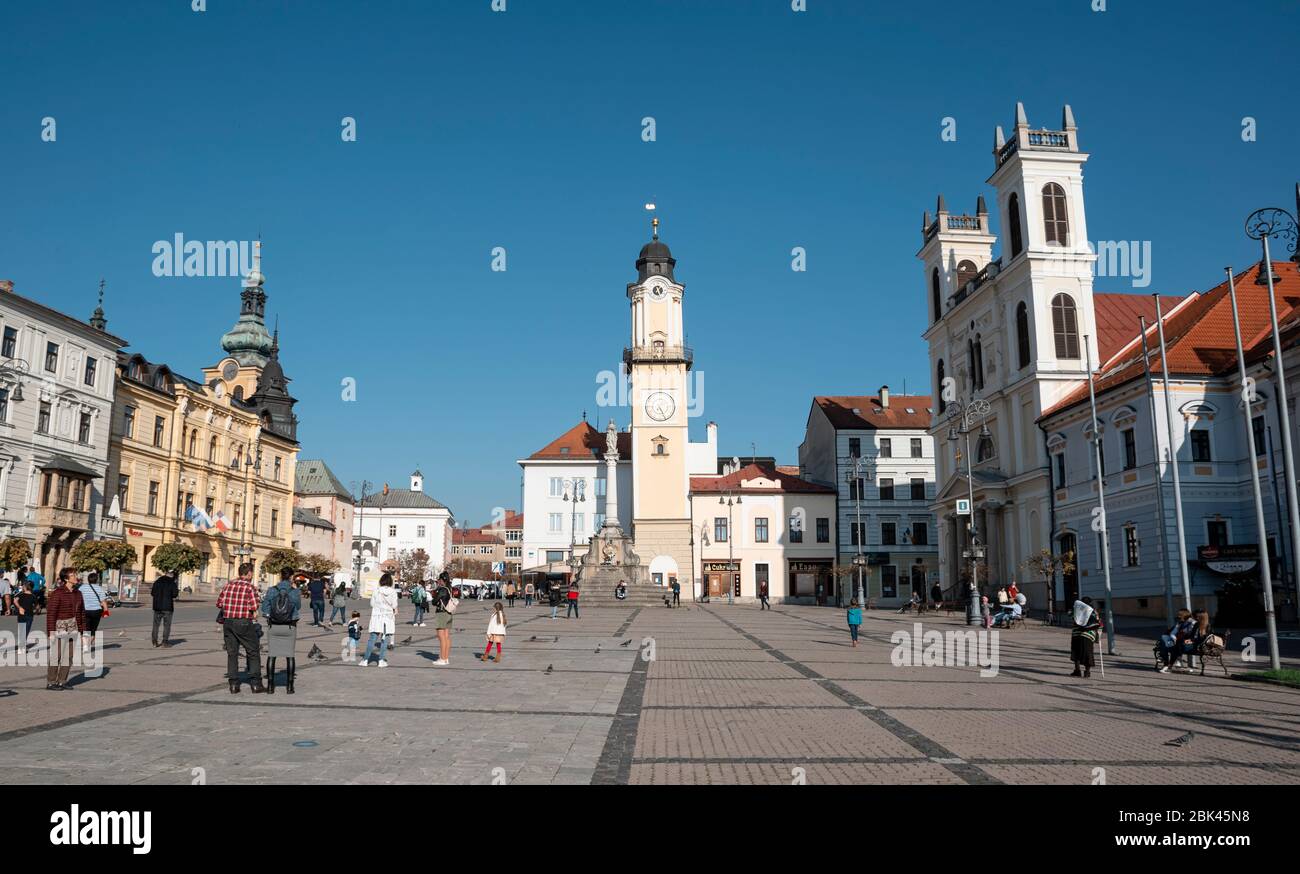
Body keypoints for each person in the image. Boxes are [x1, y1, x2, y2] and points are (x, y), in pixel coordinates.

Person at [216, 563, 266, 694]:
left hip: (228, 622)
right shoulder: (250, 587)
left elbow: (219, 603)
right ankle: (256, 683)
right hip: (243, 622)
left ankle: (233, 684)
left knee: (232, 653)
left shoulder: (228, 585)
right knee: (253, 651)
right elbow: (254, 606)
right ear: (249, 573)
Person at [46, 568, 86, 691]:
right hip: (60, 628)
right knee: (56, 656)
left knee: (68, 656)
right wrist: (50, 631)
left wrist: (83, 630)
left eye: (75, 575)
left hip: (73, 628)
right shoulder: (58, 593)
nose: (76, 577)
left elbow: (81, 613)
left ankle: (62, 681)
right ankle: (51, 682)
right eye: (73, 575)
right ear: (66, 579)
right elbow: (51, 613)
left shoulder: (78, 593)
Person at [262, 569, 302, 693]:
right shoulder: (295, 591)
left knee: (272, 655)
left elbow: (264, 608)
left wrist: (271, 616)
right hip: (289, 626)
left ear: (280, 576)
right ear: (291, 577)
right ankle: (289, 687)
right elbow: (298, 607)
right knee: (290, 656)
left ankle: (270, 687)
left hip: (274, 626)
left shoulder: (272, 590)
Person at [360, 573, 398, 667]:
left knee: (372, 639)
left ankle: (365, 660)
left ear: (381, 581)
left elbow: (372, 603)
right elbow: (394, 605)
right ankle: (381, 660)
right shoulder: (393, 592)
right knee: (384, 640)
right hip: (388, 617)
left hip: (377, 616)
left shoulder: (376, 591)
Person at [1070, 596, 1101, 678]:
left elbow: (1070, 614)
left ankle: (1077, 670)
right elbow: (1099, 624)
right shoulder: (1093, 612)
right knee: (1088, 653)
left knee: (1076, 652)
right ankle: (1087, 672)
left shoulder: (1077, 610)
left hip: (1076, 634)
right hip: (1088, 635)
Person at [78, 571, 109, 654]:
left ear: (88, 580)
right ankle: (88, 645)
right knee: (93, 630)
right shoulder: (100, 589)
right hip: (96, 611)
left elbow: (78, 599)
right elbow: (103, 601)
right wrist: (106, 611)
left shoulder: (82, 588)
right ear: (97, 580)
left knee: (85, 629)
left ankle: (85, 646)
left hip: (85, 611)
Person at [430, 572, 454, 665]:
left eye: (439, 580)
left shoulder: (442, 589)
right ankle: (446, 658)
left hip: (441, 613)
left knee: (441, 636)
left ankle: (442, 658)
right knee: (447, 637)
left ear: (442, 580)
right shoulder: (449, 588)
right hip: (449, 613)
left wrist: (434, 596)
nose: (438, 582)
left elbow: (434, 601)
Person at [151, 572, 179, 648]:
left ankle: (154, 642)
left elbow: (152, 593)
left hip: (157, 607)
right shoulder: (172, 583)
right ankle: (164, 642)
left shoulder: (157, 582)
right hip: (168, 607)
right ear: (171, 576)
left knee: (156, 625)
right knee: (167, 625)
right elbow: (175, 594)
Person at [15, 581, 36, 646]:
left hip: (21, 615)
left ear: (25, 587)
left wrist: (19, 607)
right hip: (30, 615)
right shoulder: (33, 596)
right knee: (26, 630)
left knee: (22, 630)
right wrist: (36, 610)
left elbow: (15, 601)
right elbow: (37, 606)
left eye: (23, 586)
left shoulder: (20, 595)